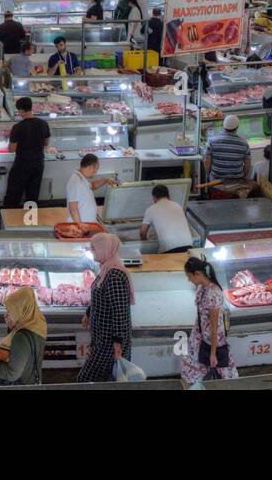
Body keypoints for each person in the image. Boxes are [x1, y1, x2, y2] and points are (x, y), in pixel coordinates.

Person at [78, 233, 134, 383]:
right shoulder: (105, 269)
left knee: (86, 378)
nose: (91, 251)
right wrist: (89, 313)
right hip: (102, 339)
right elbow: (99, 294)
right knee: (106, 378)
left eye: (94, 249)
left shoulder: (114, 275)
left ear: (105, 249)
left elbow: (120, 312)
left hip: (109, 342)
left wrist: (117, 342)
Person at [179, 257, 237, 385]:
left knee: (207, 370)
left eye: (189, 276)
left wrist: (213, 353)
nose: (189, 280)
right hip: (200, 337)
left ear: (198, 274)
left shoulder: (213, 294)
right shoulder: (203, 288)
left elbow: (214, 327)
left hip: (210, 341)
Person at [0, 286, 46, 386]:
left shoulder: (21, 337)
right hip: (32, 380)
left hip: (21, 384)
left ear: (21, 311)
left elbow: (12, 374)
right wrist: (13, 327)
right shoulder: (38, 324)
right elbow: (24, 352)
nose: (7, 314)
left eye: (10, 311)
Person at [5, 95, 51, 209]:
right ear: (31, 108)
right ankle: (30, 223)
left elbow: (12, 149)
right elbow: (46, 143)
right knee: (32, 197)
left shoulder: (17, 127)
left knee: (13, 196)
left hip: (22, 165)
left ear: (20, 110)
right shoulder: (43, 123)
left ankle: (9, 223)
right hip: (38, 165)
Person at [66, 153, 119, 224]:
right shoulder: (75, 181)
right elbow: (73, 209)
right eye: (96, 168)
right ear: (90, 167)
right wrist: (80, 226)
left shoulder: (81, 178)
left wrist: (105, 180)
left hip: (88, 224)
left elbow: (92, 186)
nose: (96, 172)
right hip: (81, 226)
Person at [140, 184, 194, 253]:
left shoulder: (151, 209)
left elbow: (142, 233)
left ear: (154, 197)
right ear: (168, 196)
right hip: (188, 247)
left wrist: (144, 243)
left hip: (169, 250)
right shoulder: (177, 205)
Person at [205, 114, 250, 183]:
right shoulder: (244, 143)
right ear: (237, 127)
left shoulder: (212, 141)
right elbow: (247, 166)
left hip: (216, 182)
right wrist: (241, 177)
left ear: (223, 126)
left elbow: (207, 162)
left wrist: (209, 176)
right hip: (236, 182)